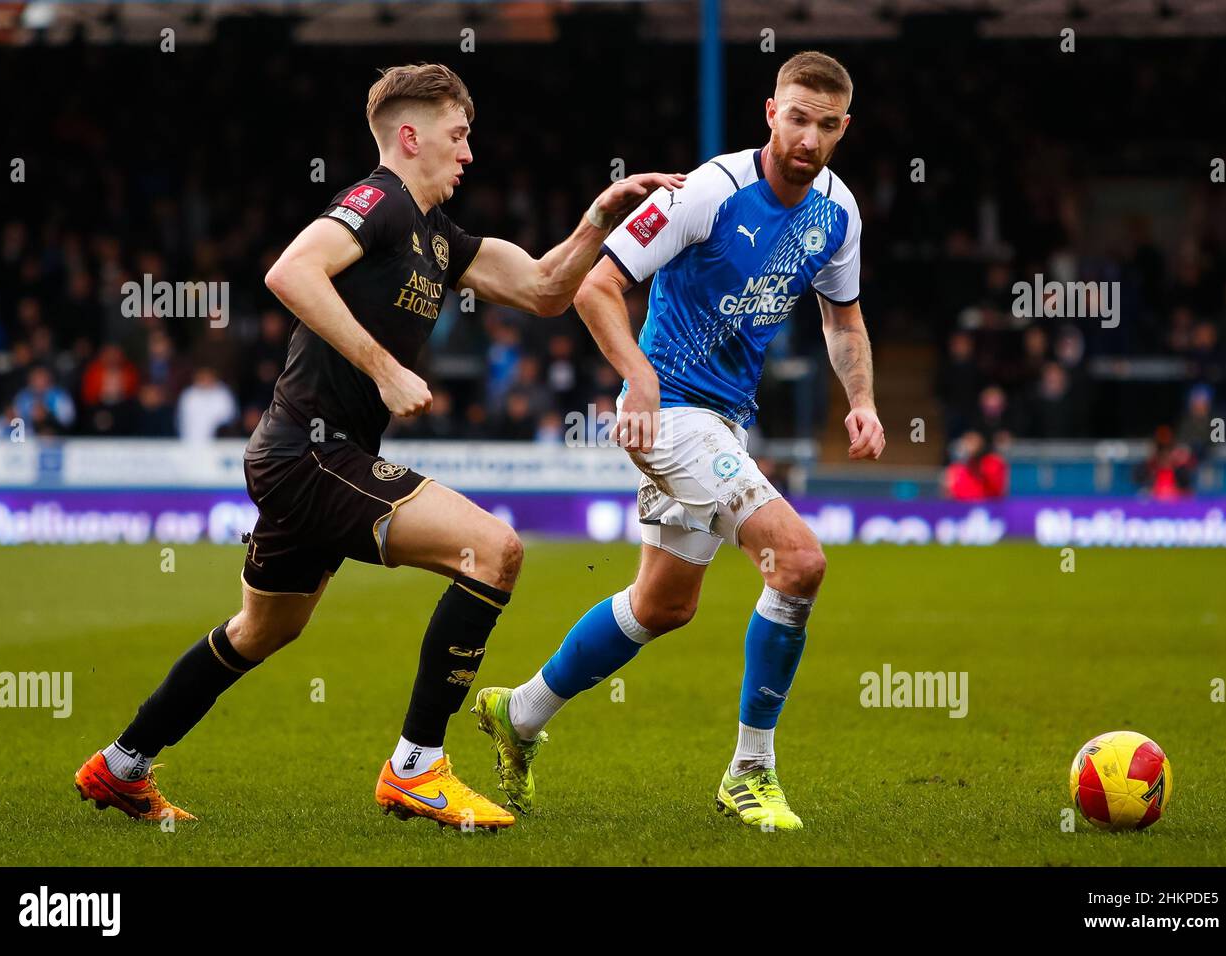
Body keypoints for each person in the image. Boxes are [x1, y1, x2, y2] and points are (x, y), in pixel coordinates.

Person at [74, 62, 682, 830]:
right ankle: (416, 768)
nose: (468, 154)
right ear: (409, 135)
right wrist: (385, 366)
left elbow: (542, 289)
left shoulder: (437, 235)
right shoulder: (382, 201)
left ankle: (122, 766)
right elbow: (290, 272)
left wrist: (600, 216)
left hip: (302, 455)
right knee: (493, 551)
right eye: (458, 137)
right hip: (314, 452)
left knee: (264, 629)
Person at [474, 51, 881, 831]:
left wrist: (860, 399)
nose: (809, 136)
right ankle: (750, 772)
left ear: (842, 129)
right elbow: (596, 284)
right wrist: (639, 376)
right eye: (796, 117)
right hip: (668, 417)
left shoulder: (839, 210)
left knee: (662, 605)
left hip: (725, 419)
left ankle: (518, 712)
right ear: (770, 112)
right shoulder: (709, 191)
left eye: (826, 125)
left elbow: (843, 316)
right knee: (797, 563)